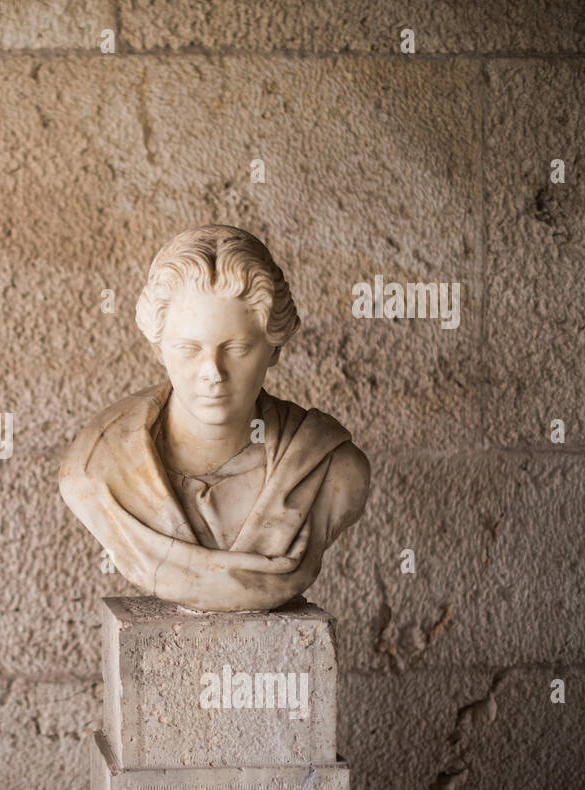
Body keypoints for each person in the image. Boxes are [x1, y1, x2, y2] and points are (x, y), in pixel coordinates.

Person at [59, 224, 369, 611]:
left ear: (273, 348)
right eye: (189, 348)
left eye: (237, 348)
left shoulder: (332, 471)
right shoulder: (98, 470)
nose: (213, 372)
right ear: (159, 348)